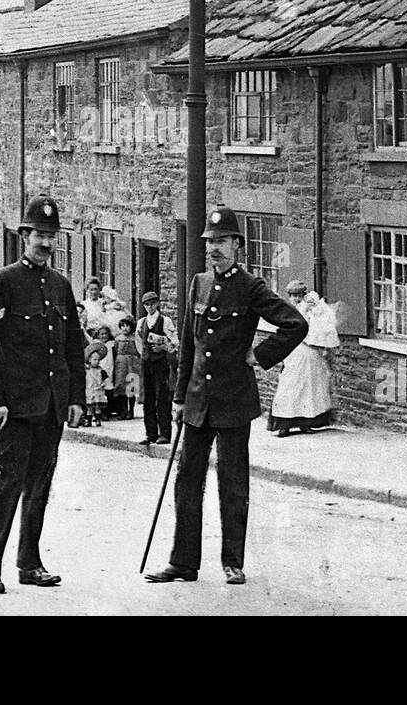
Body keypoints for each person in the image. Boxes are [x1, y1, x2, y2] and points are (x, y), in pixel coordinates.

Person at [145, 205, 308, 587]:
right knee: (187, 481)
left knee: (232, 484)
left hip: (234, 400)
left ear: (237, 244)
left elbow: (295, 324)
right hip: (198, 400)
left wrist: (260, 355)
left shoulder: (251, 287)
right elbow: (189, 343)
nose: (214, 249)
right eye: (210, 242)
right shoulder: (198, 283)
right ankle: (183, 562)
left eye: (221, 242)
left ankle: (233, 562)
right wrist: (180, 395)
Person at [0, 195, 86, 595]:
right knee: (8, 485)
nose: (46, 244)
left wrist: (75, 398)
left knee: (40, 485)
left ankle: (29, 563)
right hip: (16, 407)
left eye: (52, 237)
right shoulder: (5, 282)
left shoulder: (60, 286)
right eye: (39, 235)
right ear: (24, 236)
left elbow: (73, 346)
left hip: (51, 406)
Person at [268, 281, 337, 437]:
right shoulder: (287, 311)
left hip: (310, 352)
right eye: (294, 296)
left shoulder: (310, 309)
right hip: (294, 351)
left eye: (299, 295)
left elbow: (321, 325)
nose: (297, 299)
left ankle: (306, 422)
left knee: (310, 387)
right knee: (290, 386)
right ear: (289, 296)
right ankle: (283, 425)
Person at [136, 291, 177, 446]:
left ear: (158, 303)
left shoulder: (165, 321)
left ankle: (165, 433)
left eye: (152, 303)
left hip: (161, 363)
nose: (149, 307)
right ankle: (151, 433)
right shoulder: (141, 322)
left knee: (162, 398)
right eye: (146, 304)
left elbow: (174, 343)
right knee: (148, 398)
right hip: (147, 363)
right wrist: (145, 354)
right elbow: (139, 343)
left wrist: (163, 347)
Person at [111, 315, 140, 420]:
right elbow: (115, 351)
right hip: (121, 365)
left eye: (127, 326)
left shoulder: (135, 338)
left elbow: (138, 351)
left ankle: (131, 410)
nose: (125, 328)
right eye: (123, 326)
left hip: (132, 364)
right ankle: (123, 410)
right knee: (121, 386)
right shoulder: (118, 339)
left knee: (131, 386)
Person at [84, 348, 108, 427]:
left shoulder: (101, 370)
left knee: (98, 406)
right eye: (94, 359)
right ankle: (89, 420)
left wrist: (104, 383)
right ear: (90, 360)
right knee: (89, 407)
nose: (97, 361)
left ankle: (98, 420)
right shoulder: (87, 370)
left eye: (98, 360)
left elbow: (106, 378)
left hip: (98, 390)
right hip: (89, 390)